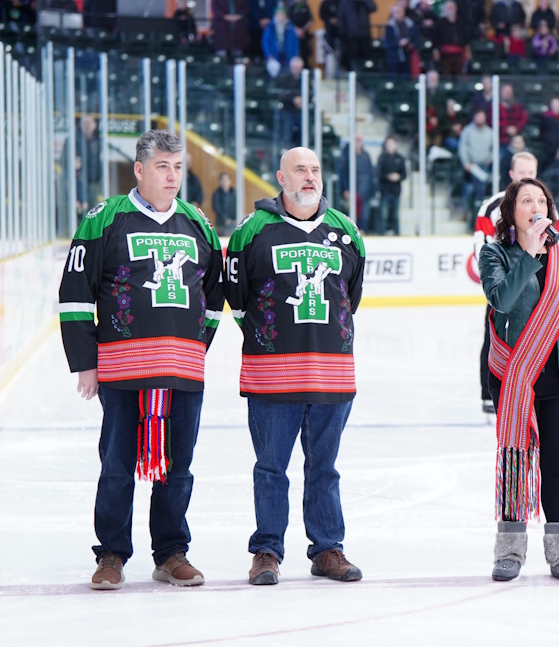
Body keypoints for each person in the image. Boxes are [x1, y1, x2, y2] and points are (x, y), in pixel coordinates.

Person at [58, 129, 225, 590]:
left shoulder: (198, 223)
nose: (172, 177)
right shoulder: (104, 220)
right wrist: (85, 362)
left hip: (183, 370)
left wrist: (196, 345)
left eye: (178, 167)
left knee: (179, 465)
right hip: (123, 369)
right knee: (117, 465)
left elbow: (215, 295)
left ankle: (171, 553)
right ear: (139, 169)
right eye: (162, 167)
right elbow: (75, 294)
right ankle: (111, 553)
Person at [225, 146, 365, 585]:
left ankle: (327, 548)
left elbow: (351, 296)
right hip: (272, 374)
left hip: (332, 372)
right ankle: (267, 550)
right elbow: (236, 297)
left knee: (324, 467)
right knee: (271, 468)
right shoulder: (253, 231)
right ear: (281, 178)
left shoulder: (345, 231)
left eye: (316, 169)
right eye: (300, 170)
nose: (310, 177)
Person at [478, 177, 559, 583]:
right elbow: (501, 300)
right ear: (512, 212)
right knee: (514, 460)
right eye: (525, 200)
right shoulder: (495, 254)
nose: (534, 206)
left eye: (541, 200)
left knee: (555, 465)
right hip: (514, 377)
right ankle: (510, 548)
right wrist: (528, 253)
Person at [473, 152, 540, 415]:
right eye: (521, 173)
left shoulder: (544, 206)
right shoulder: (492, 206)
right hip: (502, 287)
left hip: (534, 286)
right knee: (494, 336)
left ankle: (531, 387)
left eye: (530, 173)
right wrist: (494, 280)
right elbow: (481, 243)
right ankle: (489, 393)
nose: (526, 177)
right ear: (511, 174)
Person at [459, 109, 494, 217]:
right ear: (474, 117)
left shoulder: (490, 132)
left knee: (481, 189)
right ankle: (465, 212)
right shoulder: (467, 131)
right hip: (471, 166)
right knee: (468, 190)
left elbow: (494, 148)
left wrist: (490, 158)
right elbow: (463, 147)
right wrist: (466, 163)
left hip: (484, 165)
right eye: (478, 116)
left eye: (482, 116)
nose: (480, 119)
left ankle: (481, 212)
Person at [338, 134, 376, 232]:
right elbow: (343, 173)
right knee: (352, 213)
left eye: (360, 140)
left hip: (365, 190)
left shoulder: (366, 155)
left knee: (364, 214)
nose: (358, 142)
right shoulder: (346, 156)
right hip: (352, 189)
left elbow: (370, 173)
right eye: (356, 140)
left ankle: (364, 231)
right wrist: (345, 188)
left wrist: (372, 188)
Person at [376, 135, 407, 235]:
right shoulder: (382, 158)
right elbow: (378, 174)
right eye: (388, 144)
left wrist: (398, 177)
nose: (390, 146)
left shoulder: (400, 158)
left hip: (396, 190)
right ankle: (382, 233)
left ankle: (397, 234)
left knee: (395, 215)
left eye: (392, 144)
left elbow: (404, 174)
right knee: (383, 214)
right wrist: (388, 176)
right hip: (385, 190)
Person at [433, 0, 471, 76]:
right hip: (444, 54)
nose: (451, 9)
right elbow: (435, 38)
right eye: (449, 7)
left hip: (458, 54)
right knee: (446, 74)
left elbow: (465, 39)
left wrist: (468, 51)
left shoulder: (460, 23)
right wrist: (435, 50)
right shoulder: (439, 23)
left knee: (459, 74)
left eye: (452, 7)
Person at [261, 5, 300, 77]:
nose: (280, 17)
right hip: (274, 55)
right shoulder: (270, 27)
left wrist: (295, 55)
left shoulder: (290, 27)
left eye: (282, 15)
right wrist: (269, 55)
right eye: (278, 15)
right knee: (274, 71)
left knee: (288, 73)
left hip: (288, 55)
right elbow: (265, 42)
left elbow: (295, 42)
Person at [337, 0, 376, 72]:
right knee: (352, 58)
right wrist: (343, 34)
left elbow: (373, 8)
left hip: (365, 35)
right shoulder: (345, 2)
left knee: (365, 57)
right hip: (351, 36)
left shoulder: (365, 2)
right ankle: (352, 74)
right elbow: (341, 17)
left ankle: (364, 74)